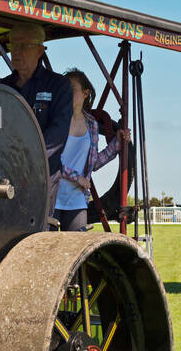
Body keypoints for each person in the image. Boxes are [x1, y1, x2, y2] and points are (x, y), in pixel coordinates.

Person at [0, 23, 76, 217]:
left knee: (38, 237)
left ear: (40, 50)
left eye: (24, 46)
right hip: (5, 175)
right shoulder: (1, 88)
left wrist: (28, 159)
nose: (16, 51)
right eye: (13, 46)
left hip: (41, 177)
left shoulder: (59, 85)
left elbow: (58, 135)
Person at [51, 68, 129, 230]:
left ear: (85, 93)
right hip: (51, 198)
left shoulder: (91, 124)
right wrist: (76, 178)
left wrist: (117, 143)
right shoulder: (54, 120)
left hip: (77, 201)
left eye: (71, 89)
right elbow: (48, 159)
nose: (66, 93)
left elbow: (94, 163)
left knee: (74, 252)